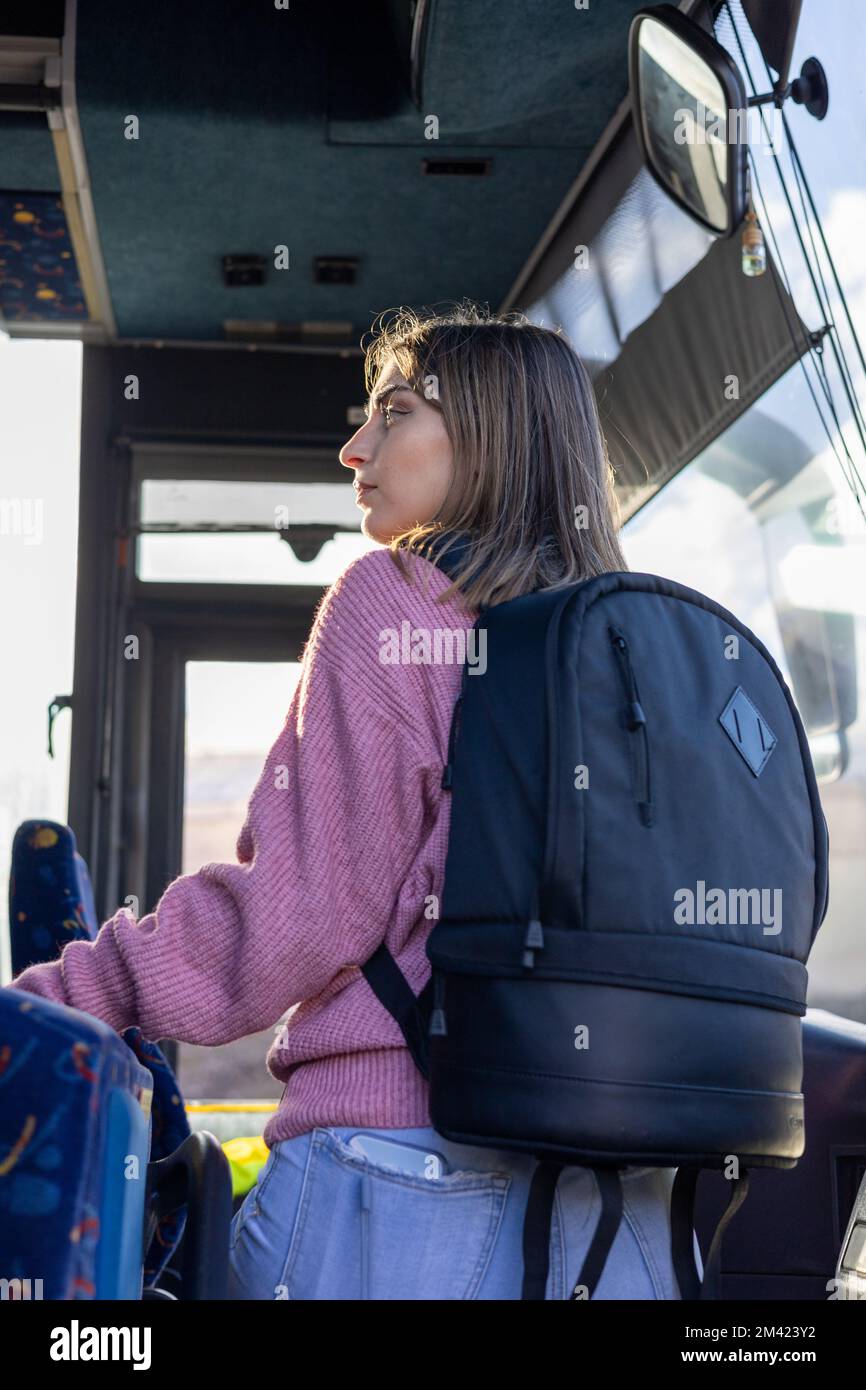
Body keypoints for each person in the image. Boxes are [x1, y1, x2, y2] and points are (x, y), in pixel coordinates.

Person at [10, 301, 697, 1299]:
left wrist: (60, 995)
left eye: (394, 412)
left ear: (490, 437)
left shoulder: (395, 599)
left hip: (401, 1194)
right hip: (626, 1219)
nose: (353, 448)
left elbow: (293, 918)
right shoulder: (637, 651)